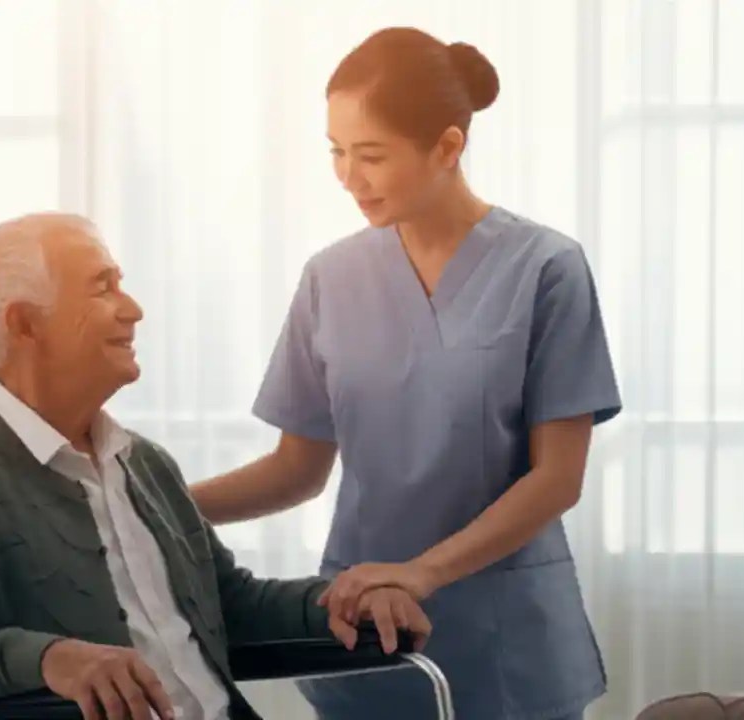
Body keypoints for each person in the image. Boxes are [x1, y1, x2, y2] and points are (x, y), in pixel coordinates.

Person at [189, 27, 621, 720]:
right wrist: (158, 504)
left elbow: (557, 478)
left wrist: (425, 572)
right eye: (335, 152)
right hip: (365, 634)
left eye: (371, 156)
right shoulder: (330, 278)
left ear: (448, 148)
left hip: (508, 644)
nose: (348, 177)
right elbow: (297, 470)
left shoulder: (545, 269)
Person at [0, 212, 432, 720]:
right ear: (24, 323)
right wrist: (50, 658)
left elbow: (228, 605)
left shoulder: (145, 463)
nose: (133, 309)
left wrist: (340, 601)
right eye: (103, 288)